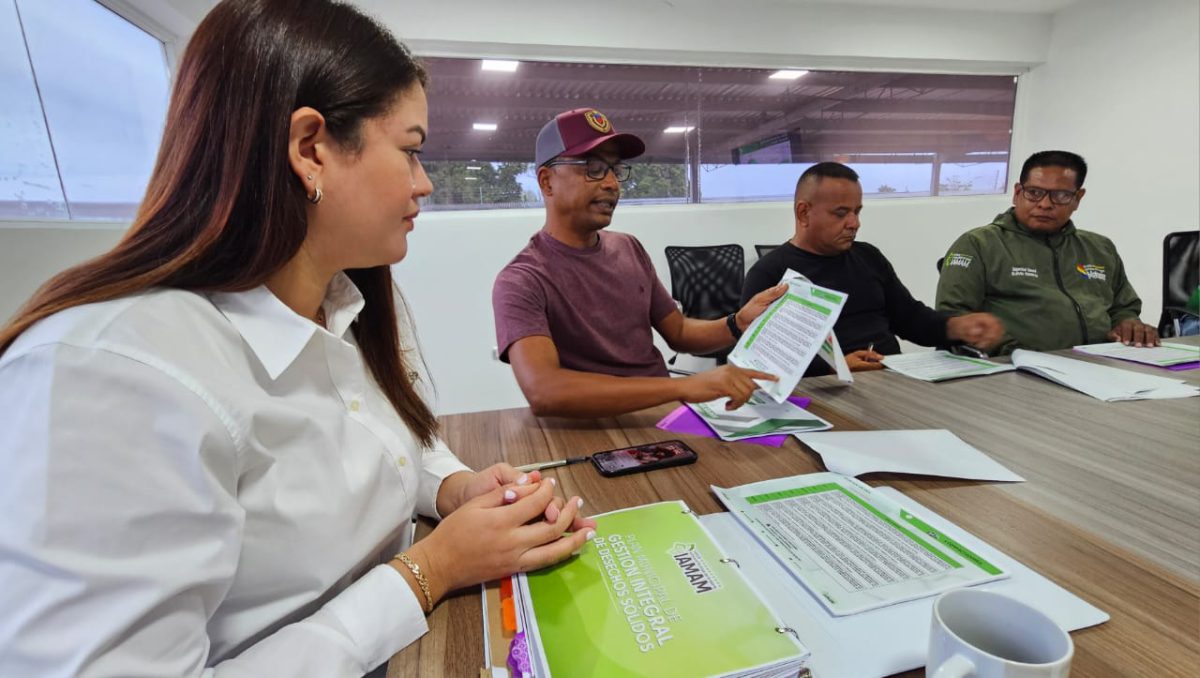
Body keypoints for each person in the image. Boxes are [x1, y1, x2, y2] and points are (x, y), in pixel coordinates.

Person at [0, 2, 595, 676]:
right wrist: (430, 569)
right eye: (411, 150)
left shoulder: (345, 302)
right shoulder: (106, 374)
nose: (425, 182)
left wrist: (454, 488)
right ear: (311, 148)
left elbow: (392, 443)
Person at [492, 108, 787, 417]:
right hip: (592, 429)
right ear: (547, 182)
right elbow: (545, 390)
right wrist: (684, 387)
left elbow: (680, 332)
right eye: (593, 167)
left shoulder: (628, 247)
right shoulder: (521, 280)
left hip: (661, 415)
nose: (611, 183)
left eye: (615, 169)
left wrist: (738, 322)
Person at [741, 162, 1004, 376]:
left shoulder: (868, 257)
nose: (854, 223)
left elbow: (910, 319)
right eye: (841, 213)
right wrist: (837, 365)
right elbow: (761, 361)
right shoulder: (769, 274)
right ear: (803, 213)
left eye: (857, 211)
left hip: (891, 379)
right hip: (823, 389)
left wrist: (956, 327)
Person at [936, 150, 1159, 354]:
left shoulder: (1100, 248)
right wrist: (1015, 354)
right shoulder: (979, 244)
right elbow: (955, 319)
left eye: (1061, 195)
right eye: (1034, 192)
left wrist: (1128, 323)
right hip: (1016, 368)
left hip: (1101, 365)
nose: (1044, 204)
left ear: (1077, 198)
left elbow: (1123, 308)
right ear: (1017, 193)